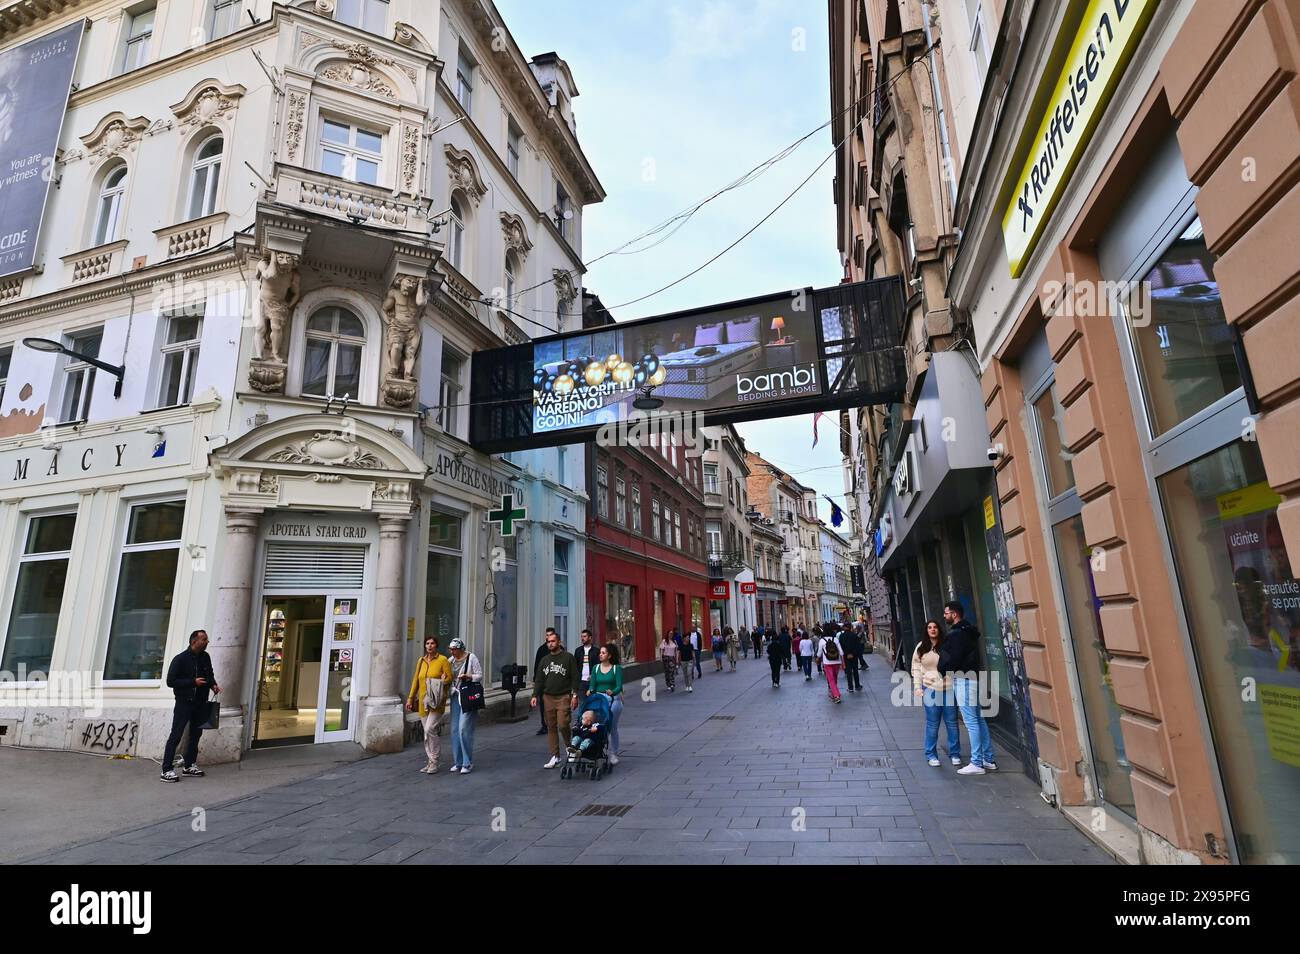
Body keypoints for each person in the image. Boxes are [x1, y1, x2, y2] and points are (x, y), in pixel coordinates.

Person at [939, 601, 997, 775]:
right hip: (974, 678)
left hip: (963, 680)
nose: (944, 616)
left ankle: (977, 762)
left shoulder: (957, 634)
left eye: (946, 613)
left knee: (971, 721)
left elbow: (954, 658)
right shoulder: (969, 631)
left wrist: (944, 669)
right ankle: (988, 759)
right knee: (979, 719)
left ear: (954, 614)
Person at [161, 630, 221, 782]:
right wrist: (192, 682)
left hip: (200, 703)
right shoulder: (180, 659)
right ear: (194, 641)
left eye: (207, 639)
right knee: (176, 735)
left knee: (196, 735)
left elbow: (210, 674)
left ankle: (189, 765)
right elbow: (171, 681)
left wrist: (213, 685)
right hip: (184, 703)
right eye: (204, 639)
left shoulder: (205, 657)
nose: (207, 642)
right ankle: (166, 769)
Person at [912, 619, 961, 768]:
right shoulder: (921, 647)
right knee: (932, 724)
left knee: (952, 723)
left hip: (949, 688)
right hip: (930, 689)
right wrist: (917, 687)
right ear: (926, 630)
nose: (932, 630)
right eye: (929, 627)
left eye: (935, 627)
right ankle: (931, 754)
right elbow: (916, 668)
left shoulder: (947, 644)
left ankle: (955, 754)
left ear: (939, 629)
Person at [530, 628, 580, 768]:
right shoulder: (545, 660)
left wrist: (575, 695)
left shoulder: (568, 657)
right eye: (548, 642)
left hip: (564, 696)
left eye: (553, 641)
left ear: (559, 642)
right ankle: (555, 756)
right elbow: (539, 679)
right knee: (551, 726)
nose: (550, 644)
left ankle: (570, 748)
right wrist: (534, 695)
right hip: (548, 697)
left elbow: (575, 677)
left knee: (563, 724)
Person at [406, 635, 453, 773]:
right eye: (427, 643)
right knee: (427, 733)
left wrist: (443, 680)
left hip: (436, 701)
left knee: (429, 729)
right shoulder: (421, 661)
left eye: (432, 643)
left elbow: (450, 677)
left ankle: (435, 761)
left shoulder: (443, 660)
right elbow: (416, 680)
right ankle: (430, 760)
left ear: (436, 645)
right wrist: (410, 698)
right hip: (422, 702)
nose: (429, 646)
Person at [446, 638, 483, 774]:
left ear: (461, 648)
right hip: (455, 696)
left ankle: (467, 762)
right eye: (451, 649)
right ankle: (458, 762)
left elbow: (479, 675)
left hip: (468, 696)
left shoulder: (471, 658)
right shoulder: (450, 661)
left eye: (454, 649)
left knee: (464, 728)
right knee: (455, 729)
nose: (452, 651)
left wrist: (469, 676)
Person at [589, 643, 625, 765]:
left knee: (611, 726)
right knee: (598, 726)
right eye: (600, 653)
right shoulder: (595, 668)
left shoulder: (616, 668)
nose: (600, 655)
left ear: (609, 656)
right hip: (600, 699)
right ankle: (597, 750)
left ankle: (613, 753)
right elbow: (593, 685)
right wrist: (590, 690)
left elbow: (619, 686)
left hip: (614, 699)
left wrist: (612, 691)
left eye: (603, 653)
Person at [533, 632, 556, 736]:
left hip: (555, 683)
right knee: (543, 705)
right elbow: (537, 665)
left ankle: (553, 723)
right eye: (546, 635)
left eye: (550, 635)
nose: (548, 637)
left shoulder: (559, 650)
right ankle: (544, 725)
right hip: (544, 683)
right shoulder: (541, 649)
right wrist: (536, 680)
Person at [818, 625, 844, 703]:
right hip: (837, 661)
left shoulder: (822, 640)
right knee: (835, 679)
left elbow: (819, 653)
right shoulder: (835, 639)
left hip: (827, 662)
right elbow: (842, 652)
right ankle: (834, 693)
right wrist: (843, 662)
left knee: (831, 680)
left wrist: (817, 658)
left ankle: (836, 695)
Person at [573, 628, 598, 700]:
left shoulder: (596, 651)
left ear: (590, 637)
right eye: (581, 636)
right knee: (582, 704)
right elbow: (576, 666)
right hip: (581, 682)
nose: (582, 638)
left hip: (592, 682)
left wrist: (593, 676)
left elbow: (598, 666)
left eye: (584, 636)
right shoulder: (578, 651)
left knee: (592, 703)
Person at [841, 623, 865, 693]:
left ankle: (850, 687)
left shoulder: (842, 636)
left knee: (848, 672)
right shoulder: (854, 635)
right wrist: (853, 653)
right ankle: (857, 685)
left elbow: (841, 647)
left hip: (846, 656)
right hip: (854, 656)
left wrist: (846, 654)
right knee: (855, 671)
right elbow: (858, 646)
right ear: (850, 627)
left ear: (844, 628)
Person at [677, 627, 695, 692]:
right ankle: (687, 686)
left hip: (690, 661)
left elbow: (693, 653)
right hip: (683, 662)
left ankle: (690, 686)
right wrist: (678, 661)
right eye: (687, 637)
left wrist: (694, 660)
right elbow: (678, 653)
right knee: (685, 674)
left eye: (689, 637)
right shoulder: (681, 645)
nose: (688, 638)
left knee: (689, 673)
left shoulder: (691, 645)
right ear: (684, 638)